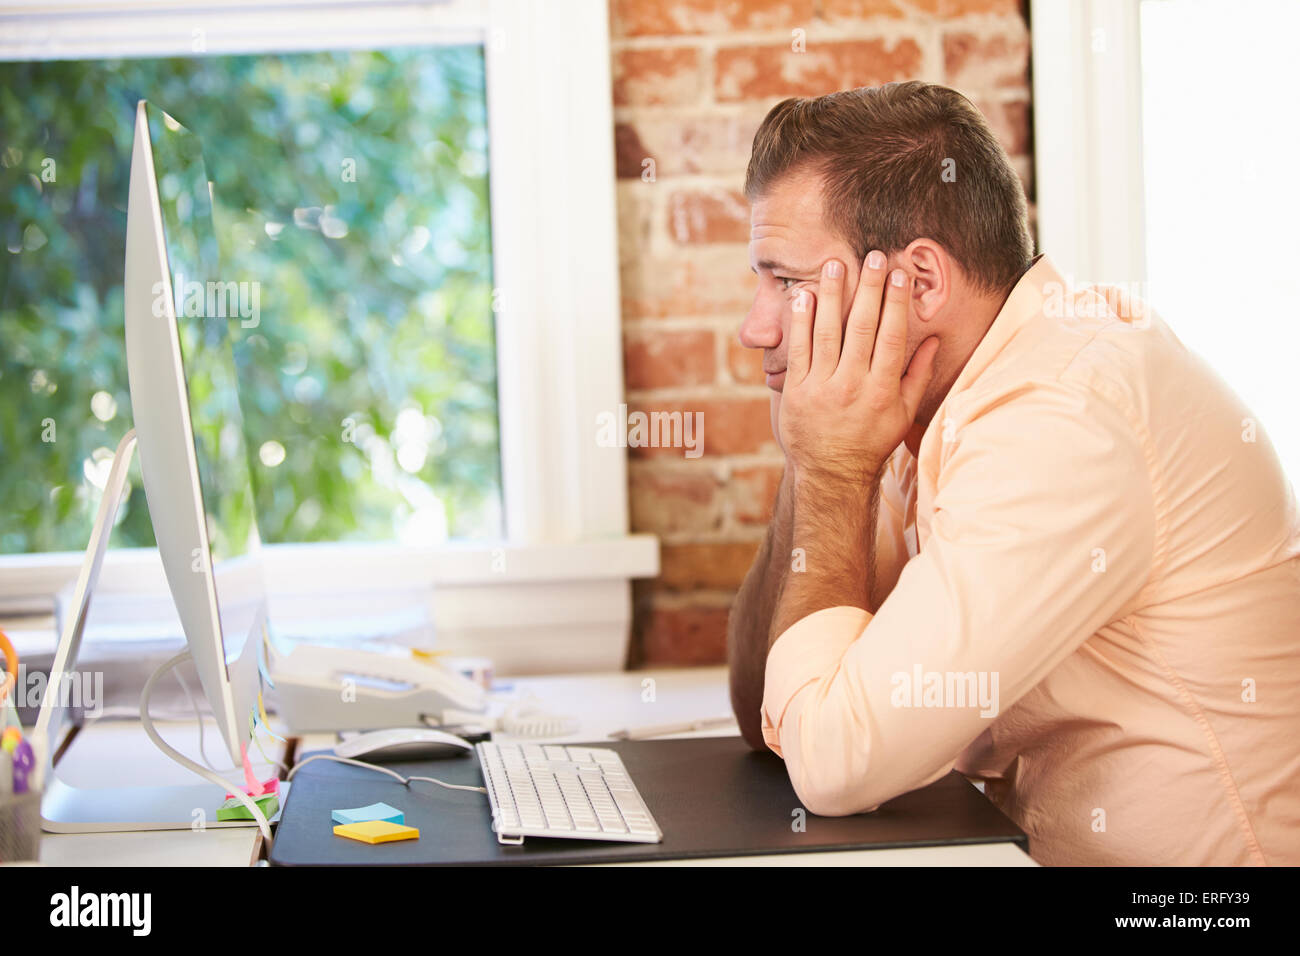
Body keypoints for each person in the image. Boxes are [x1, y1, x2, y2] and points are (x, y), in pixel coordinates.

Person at [727, 80, 1300, 865]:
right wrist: (813, 463)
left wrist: (830, 469)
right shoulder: (933, 406)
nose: (753, 328)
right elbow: (771, 712)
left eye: (787, 283)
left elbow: (833, 763)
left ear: (920, 282)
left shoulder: (1062, 415)